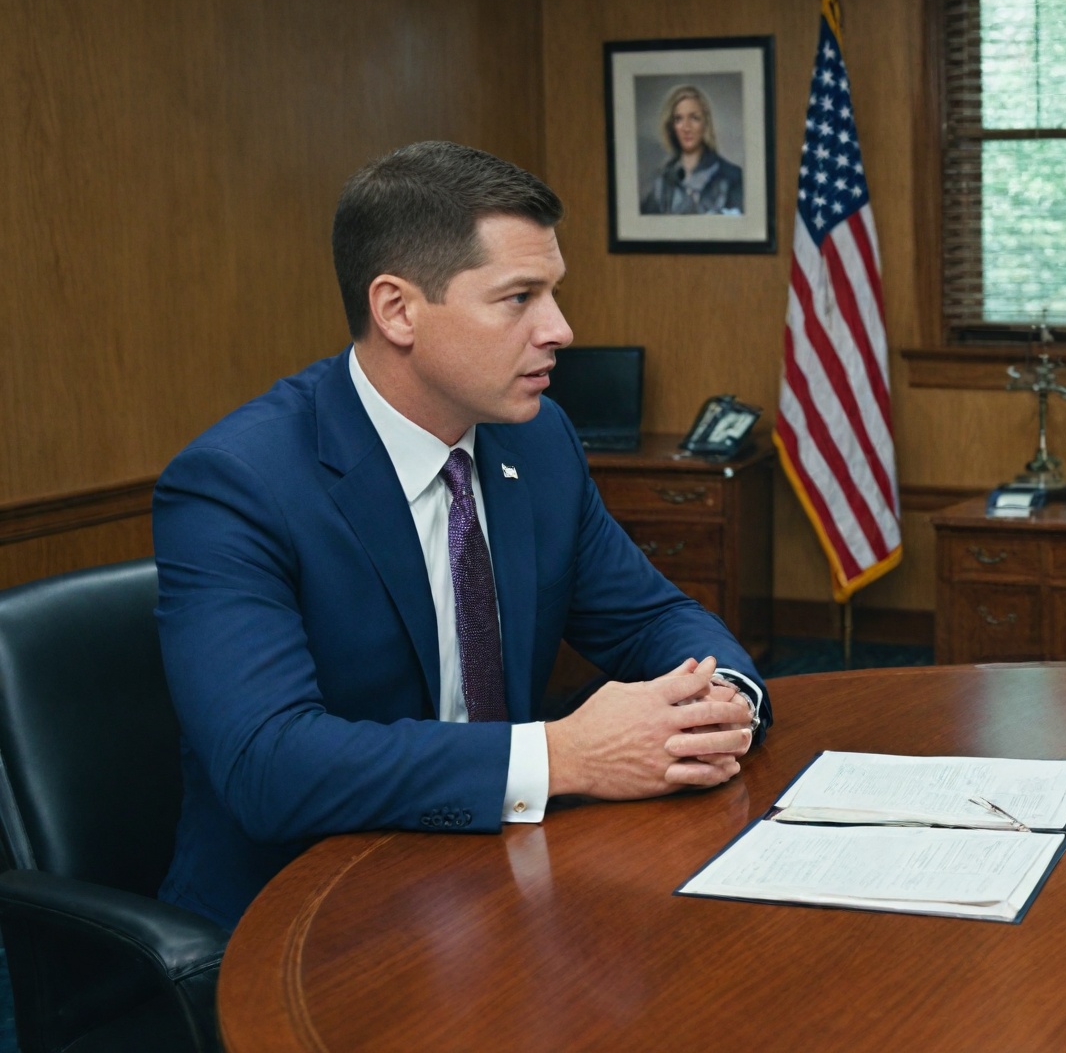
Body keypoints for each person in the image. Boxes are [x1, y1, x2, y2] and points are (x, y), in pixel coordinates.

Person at [153, 141, 766, 929]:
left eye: (554, 293)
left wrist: (718, 704)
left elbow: (651, 618)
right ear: (398, 309)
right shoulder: (237, 484)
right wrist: (566, 755)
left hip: (495, 880)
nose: (562, 329)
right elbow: (269, 765)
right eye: (519, 298)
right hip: (306, 918)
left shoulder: (538, 442)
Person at [640, 85, 744, 216]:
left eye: (694, 118)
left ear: (705, 122)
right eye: (679, 119)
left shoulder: (732, 178)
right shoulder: (662, 182)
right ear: (672, 126)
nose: (686, 127)